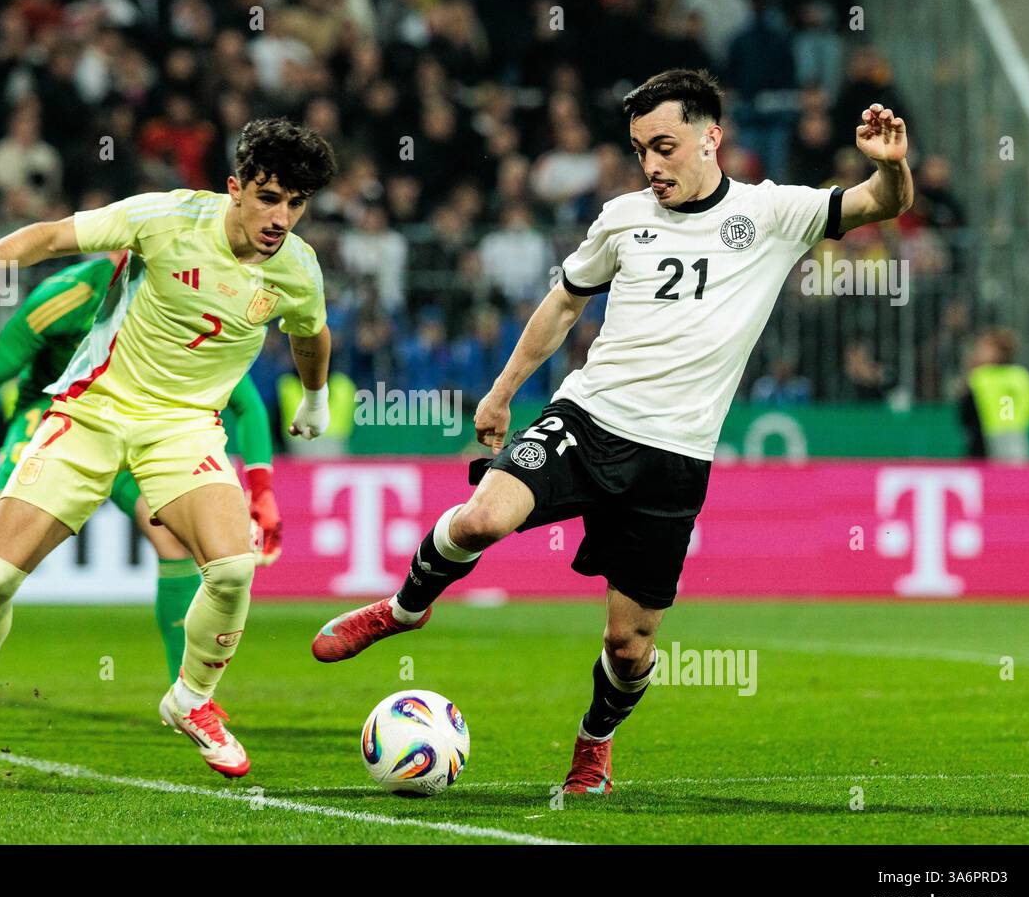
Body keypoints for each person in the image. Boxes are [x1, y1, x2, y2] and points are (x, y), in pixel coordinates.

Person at [311, 69, 913, 794]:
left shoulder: (773, 213)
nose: (652, 165)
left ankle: (594, 743)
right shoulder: (623, 217)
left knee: (628, 646)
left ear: (710, 137)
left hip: (675, 458)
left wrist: (892, 163)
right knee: (478, 519)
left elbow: (883, 202)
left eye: (664, 146)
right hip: (588, 419)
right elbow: (562, 304)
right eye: (639, 150)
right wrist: (502, 393)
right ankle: (404, 609)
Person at [0, 118, 336, 779]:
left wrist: (313, 397)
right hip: (91, 411)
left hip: (183, 427)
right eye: (269, 197)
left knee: (232, 568)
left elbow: (312, 335)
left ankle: (191, 698)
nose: (281, 217)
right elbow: (54, 236)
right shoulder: (165, 218)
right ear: (235, 188)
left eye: (296, 203)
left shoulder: (298, 272)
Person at [0, 253, 281, 723]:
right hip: (52, 418)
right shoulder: (67, 297)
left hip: (136, 426)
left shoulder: (181, 301)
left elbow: (245, 403)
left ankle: (189, 698)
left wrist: (261, 490)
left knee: (171, 539)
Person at [957, 328, 1029, 462]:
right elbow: (967, 409)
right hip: (983, 434)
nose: (979, 352)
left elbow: (1028, 403)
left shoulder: (1016, 375)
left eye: (985, 349)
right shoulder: (979, 376)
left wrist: (1011, 421)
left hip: (1011, 433)